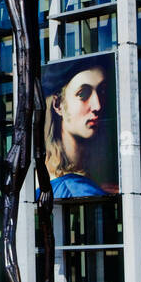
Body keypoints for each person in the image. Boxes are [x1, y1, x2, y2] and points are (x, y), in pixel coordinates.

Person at [42, 56, 112, 199]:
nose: (97, 106)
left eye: (102, 91)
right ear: (58, 104)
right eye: (83, 94)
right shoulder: (70, 188)